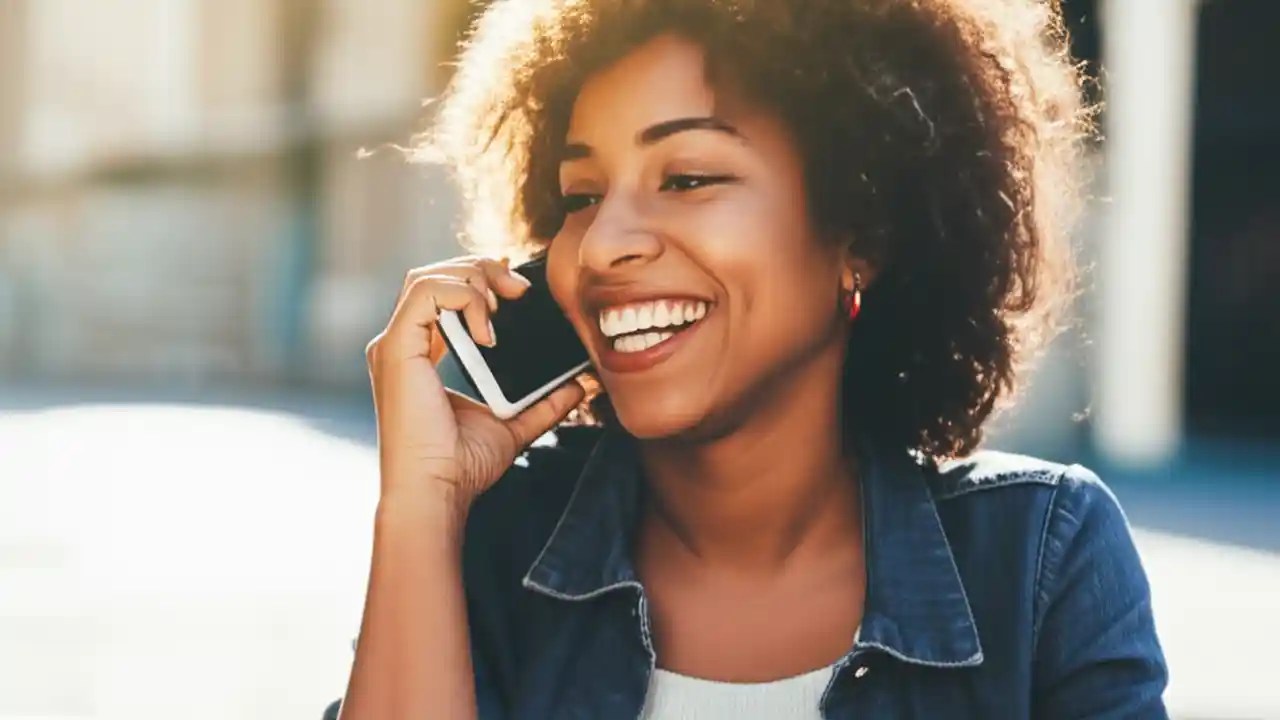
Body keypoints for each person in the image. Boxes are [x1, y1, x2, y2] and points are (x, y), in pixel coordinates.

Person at [332, 0, 1168, 718]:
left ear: (862, 235)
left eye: (688, 178)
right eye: (582, 197)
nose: (603, 245)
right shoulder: (493, 543)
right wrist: (422, 509)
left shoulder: (1037, 559)